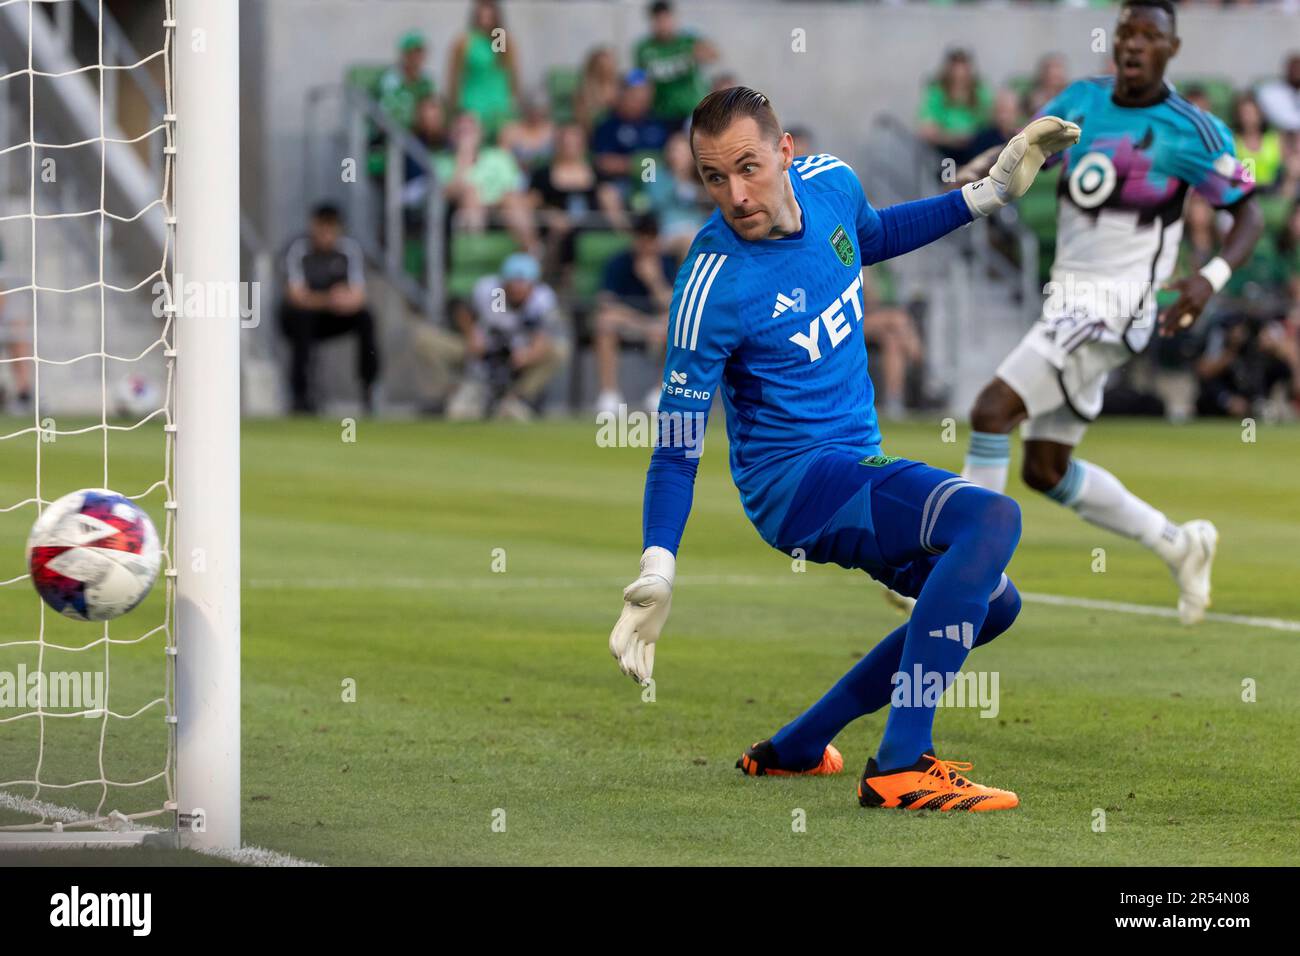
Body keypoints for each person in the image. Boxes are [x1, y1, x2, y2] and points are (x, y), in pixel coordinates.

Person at [607, 86, 1078, 811]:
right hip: (794, 487)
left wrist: (983, 196)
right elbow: (675, 446)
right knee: (991, 521)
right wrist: (658, 565)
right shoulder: (711, 283)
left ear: (785, 152)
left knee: (993, 603)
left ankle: (798, 746)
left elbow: (873, 235)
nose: (735, 194)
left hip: (854, 458)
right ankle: (900, 766)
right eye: (712, 177)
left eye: (748, 166)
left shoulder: (832, 185)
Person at [958, 0, 1263, 626]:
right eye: (1127, 32)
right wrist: (990, 168)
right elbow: (1028, 154)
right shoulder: (1080, 101)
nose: (1134, 44)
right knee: (1045, 469)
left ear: (1171, 50)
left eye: (1150, 36)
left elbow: (1249, 213)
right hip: (1069, 298)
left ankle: (958, 581)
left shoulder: (1194, 130)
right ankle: (1179, 543)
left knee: (992, 411)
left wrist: (1209, 278)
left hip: (1120, 305)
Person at [415, 252, 568, 421]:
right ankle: (449, 393)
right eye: (513, 283)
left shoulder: (542, 299)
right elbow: (460, 308)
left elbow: (544, 336)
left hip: (515, 359)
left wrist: (528, 354)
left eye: (522, 283)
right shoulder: (493, 291)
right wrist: (472, 335)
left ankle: (518, 399)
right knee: (425, 339)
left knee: (559, 350)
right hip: (481, 354)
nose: (517, 289)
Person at [280, 204, 379, 414]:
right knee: (302, 320)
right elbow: (296, 297)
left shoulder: (349, 250)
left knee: (366, 318)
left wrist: (339, 301)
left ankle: (369, 386)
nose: (325, 236)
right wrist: (330, 298)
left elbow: (359, 296)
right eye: (321, 229)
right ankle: (300, 395)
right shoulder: (298, 249)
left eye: (330, 230)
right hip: (301, 317)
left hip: (333, 316)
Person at [592, 214, 675, 415]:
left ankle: (659, 392)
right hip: (630, 323)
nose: (647, 244)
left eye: (651, 238)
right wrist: (643, 324)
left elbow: (675, 307)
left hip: (659, 326)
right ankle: (609, 395)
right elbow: (606, 304)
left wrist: (653, 281)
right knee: (604, 322)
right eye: (642, 238)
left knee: (677, 326)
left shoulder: (668, 263)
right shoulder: (618, 262)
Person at [633, 0, 718, 131]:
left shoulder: (688, 40)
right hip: (661, 112)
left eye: (665, 19)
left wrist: (701, 46)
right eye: (658, 20)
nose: (663, 25)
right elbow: (641, 80)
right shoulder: (644, 47)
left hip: (691, 109)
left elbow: (714, 56)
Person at [446, 0, 519, 142]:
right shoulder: (465, 41)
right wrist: (454, 108)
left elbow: (508, 72)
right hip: (472, 106)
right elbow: (455, 77)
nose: (486, 17)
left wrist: (512, 102)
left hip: (499, 107)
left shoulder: (500, 38)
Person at [591, 70, 670, 197]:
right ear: (623, 95)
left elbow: (670, 159)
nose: (640, 102)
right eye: (635, 96)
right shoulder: (608, 125)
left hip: (657, 183)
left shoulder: (658, 123)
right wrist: (639, 165)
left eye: (645, 97)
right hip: (621, 184)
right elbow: (603, 162)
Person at [916, 48, 993, 168]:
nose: (959, 75)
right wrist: (951, 139)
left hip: (975, 150)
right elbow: (926, 129)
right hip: (944, 152)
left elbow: (990, 119)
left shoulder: (979, 91)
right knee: (949, 175)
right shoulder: (937, 92)